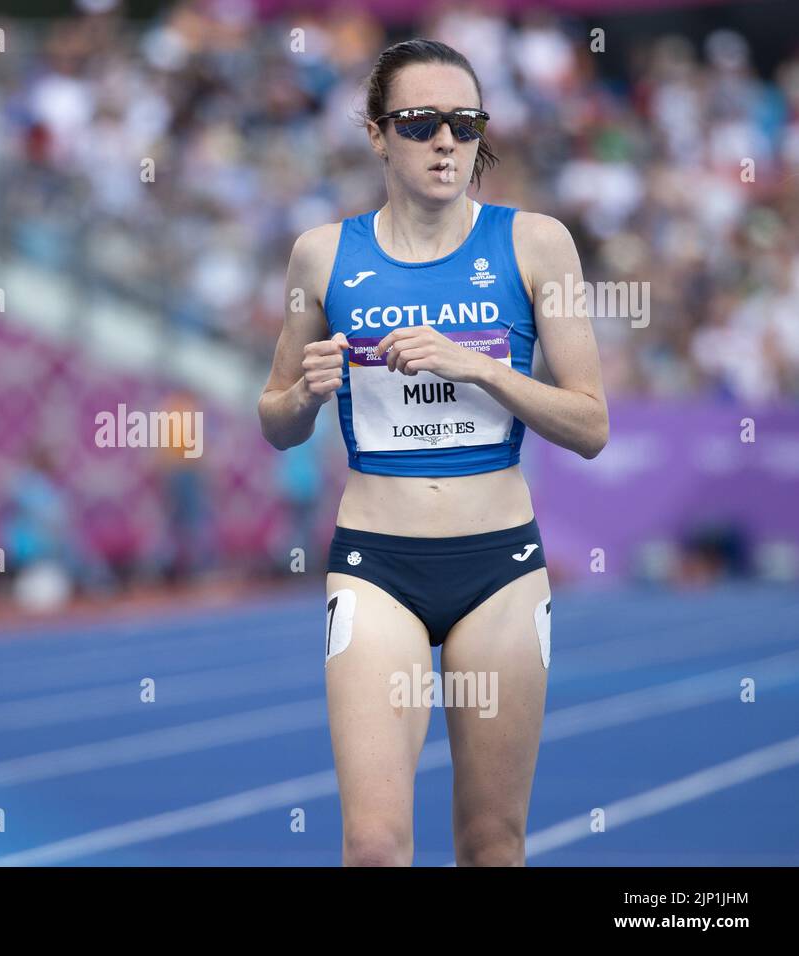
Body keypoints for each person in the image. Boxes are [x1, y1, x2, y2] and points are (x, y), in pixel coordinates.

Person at [258, 39, 608, 866]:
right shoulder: (323, 254)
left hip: (501, 567)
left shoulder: (536, 244)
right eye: (420, 123)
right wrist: (303, 393)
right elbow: (275, 420)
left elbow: (591, 425)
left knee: (491, 843)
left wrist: (478, 366)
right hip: (377, 566)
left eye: (464, 121)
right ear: (378, 135)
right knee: (374, 846)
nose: (446, 140)